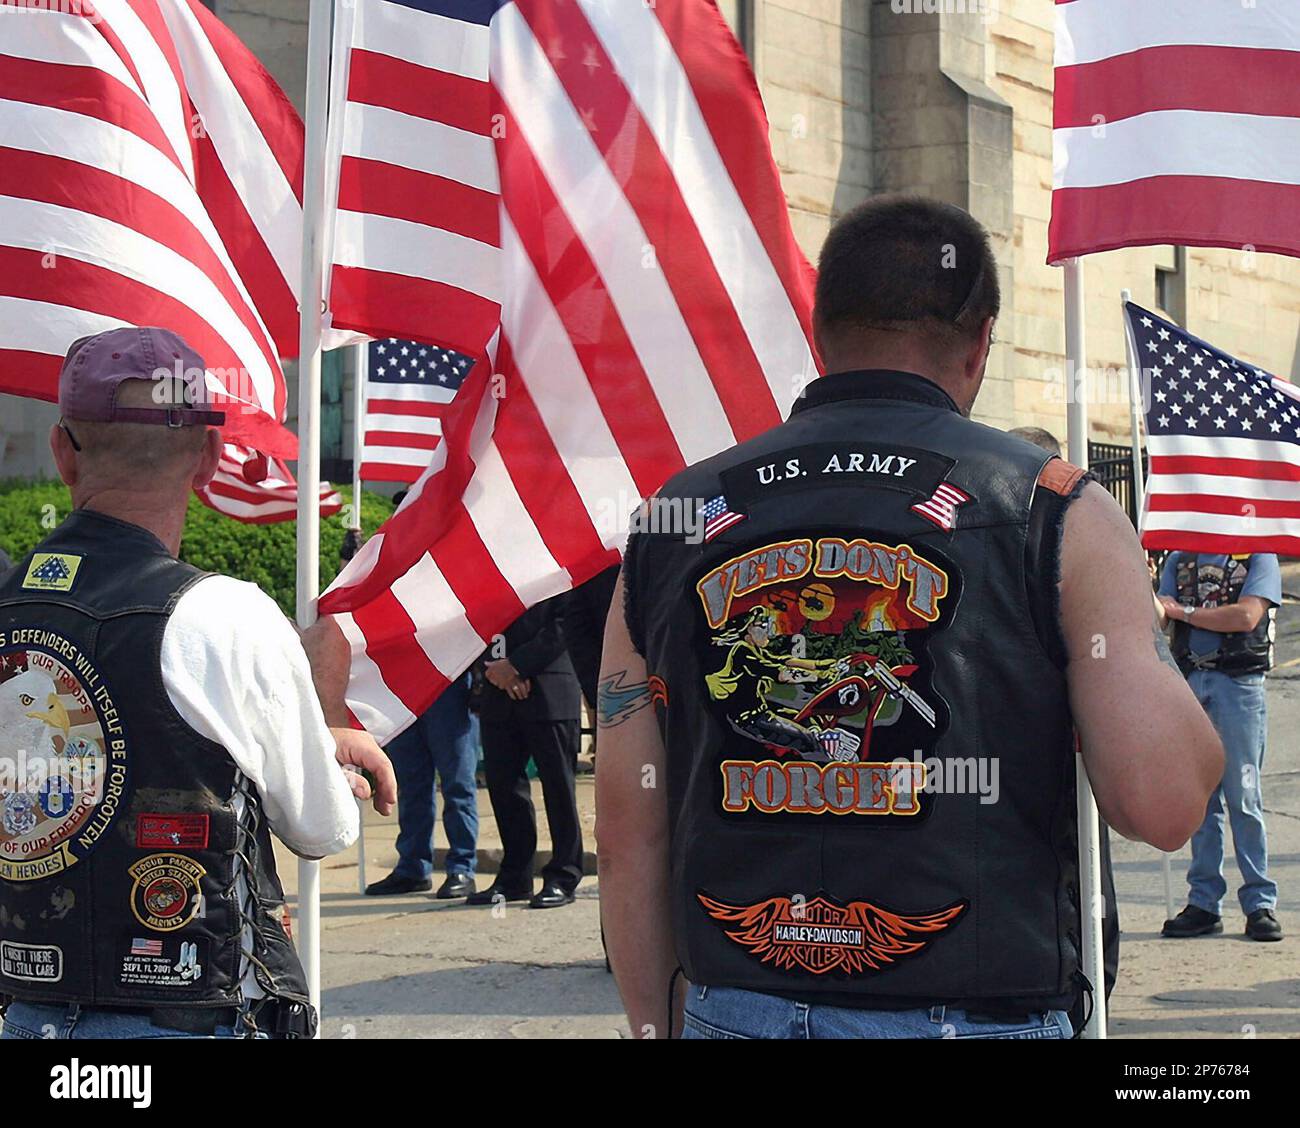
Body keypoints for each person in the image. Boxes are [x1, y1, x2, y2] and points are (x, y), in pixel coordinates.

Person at [596, 196, 1223, 1040]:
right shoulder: (1051, 508)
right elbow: (1166, 803)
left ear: (821, 331)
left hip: (736, 1003)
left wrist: (655, 1022)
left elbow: (627, 826)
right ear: (981, 340)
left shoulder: (671, 517)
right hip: (975, 1012)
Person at [0, 328, 395, 1041]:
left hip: (27, 1007)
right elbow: (321, 827)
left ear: (62, 451)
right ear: (212, 456)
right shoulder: (226, 614)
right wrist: (325, 726)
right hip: (191, 1011)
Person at [1007, 426, 1120, 1016]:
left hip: (1072, 768)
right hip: (1015, 782)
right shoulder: (986, 544)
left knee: (1091, 910)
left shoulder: (1074, 540)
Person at [1156, 552, 1283, 941]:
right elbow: (1160, 614)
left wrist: (1185, 612)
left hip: (1237, 683)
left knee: (1243, 796)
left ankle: (1260, 902)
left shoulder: (1258, 556)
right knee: (1201, 800)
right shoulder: (1178, 559)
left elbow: (1246, 616)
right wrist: (1154, 600)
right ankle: (1204, 902)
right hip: (1192, 679)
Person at [470, 595, 584, 909]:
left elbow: (565, 623)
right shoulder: (490, 566)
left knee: (559, 788)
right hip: (497, 689)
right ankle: (514, 877)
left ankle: (563, 876)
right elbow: (475, 620)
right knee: (505, 789)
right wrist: (497, 671)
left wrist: (518, 665)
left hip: (550, 689)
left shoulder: (559, 558)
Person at [365, 672, 480, 899]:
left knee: (458, 786)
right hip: (404, 689)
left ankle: (462, 868)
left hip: (449, 684)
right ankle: (413, 867)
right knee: (411, 786)